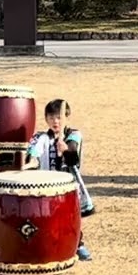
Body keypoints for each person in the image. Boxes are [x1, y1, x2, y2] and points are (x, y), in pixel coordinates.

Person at [26, 99, 94, 261]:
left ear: (66, 118)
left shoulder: (74, 135)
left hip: (68, 185)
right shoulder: (41, 137)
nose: (55, 121)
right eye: (51, 118)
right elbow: (33, 151)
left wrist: (65, 150)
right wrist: (32, 159)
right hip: (46, 186)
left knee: (71, 217)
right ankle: (46, 247)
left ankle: (78, 245)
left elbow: (72, 157)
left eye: (58, 117)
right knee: (45, 219)